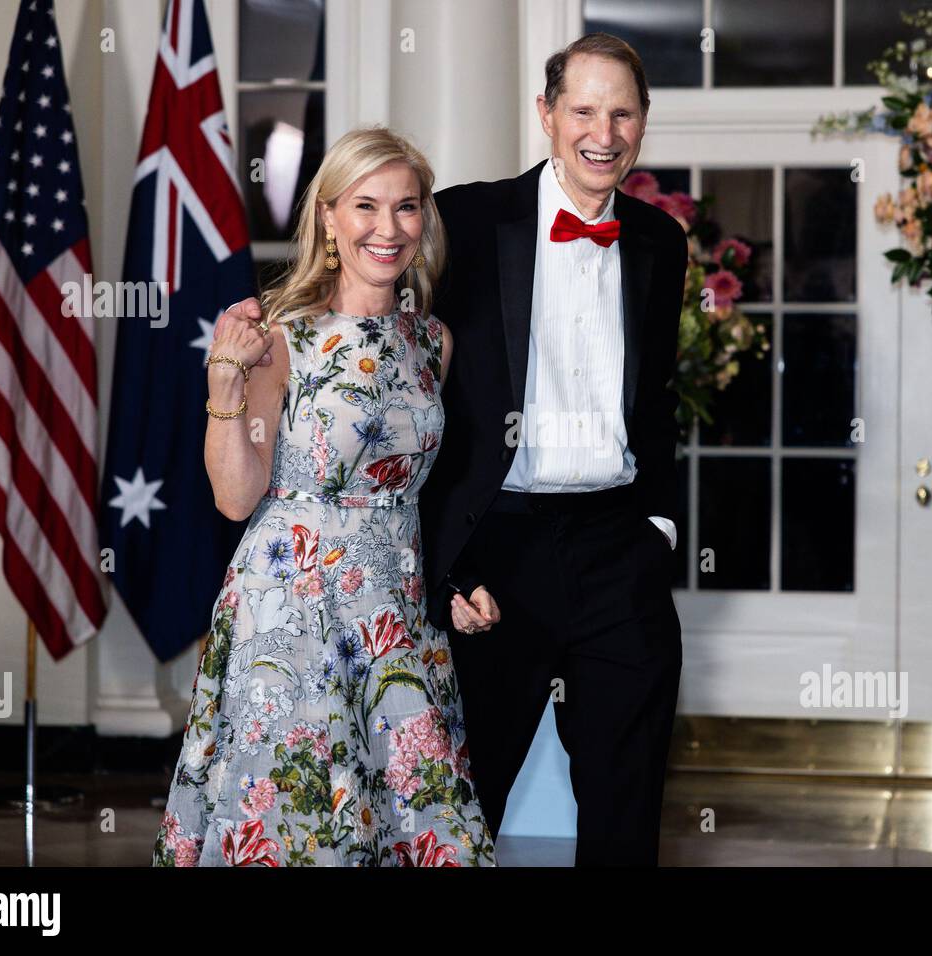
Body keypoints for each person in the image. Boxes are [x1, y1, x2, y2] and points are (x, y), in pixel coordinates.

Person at [223, 32, 688, 867]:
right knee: (456, 806)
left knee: (628, 805)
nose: (604, 133)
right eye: (584, 110)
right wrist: (445, 569)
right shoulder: (465, 221)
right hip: (496, 552)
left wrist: (658, 528)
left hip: (621, 552)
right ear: (546, 114)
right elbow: (382, 335)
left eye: (622, 113)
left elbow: (656, 396)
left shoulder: (661, 239)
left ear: (644, 121)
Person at [151, 127, 496, 867]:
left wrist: (455, 581)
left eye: (407, 206)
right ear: (329, 217)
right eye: (366, 205)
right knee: (302, 824)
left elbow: (437, 490)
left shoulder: (433, 341)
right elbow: (236, 499)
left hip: (398, 613)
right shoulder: (282, 337)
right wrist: (224, 383)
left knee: (428, 821)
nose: (388, 227)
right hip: (294, 610)